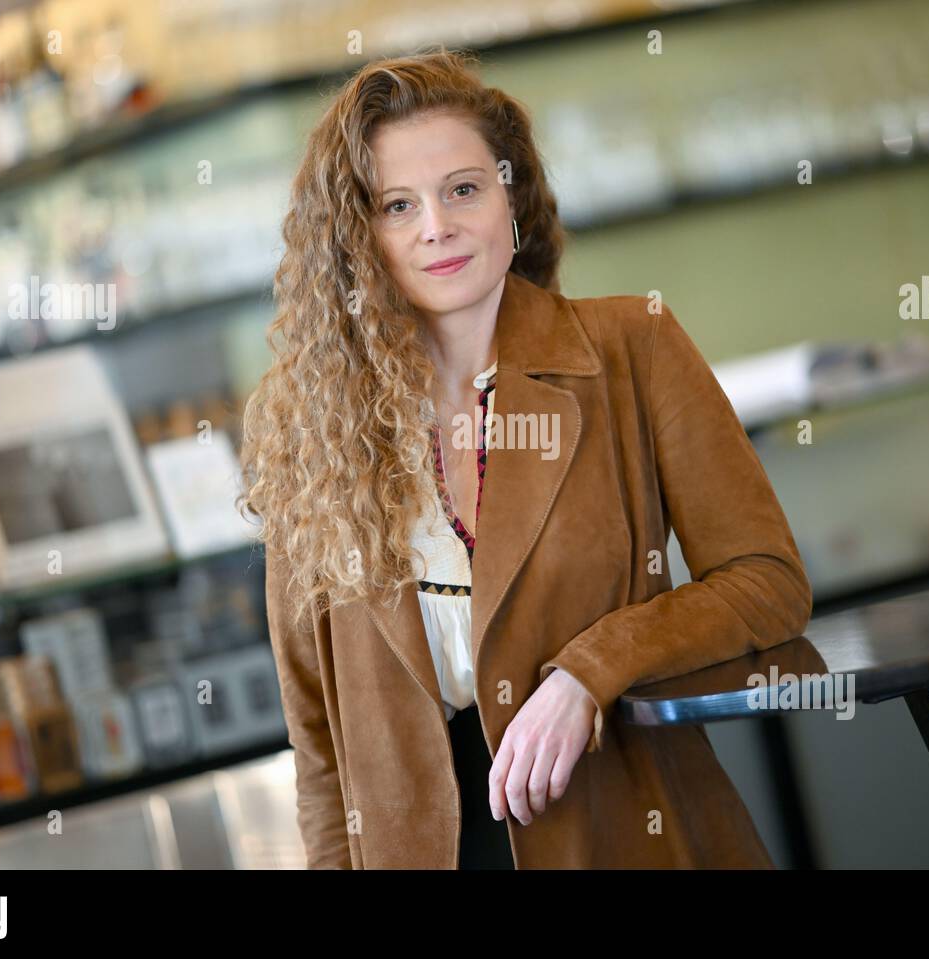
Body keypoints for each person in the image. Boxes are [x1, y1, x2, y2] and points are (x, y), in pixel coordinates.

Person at [238, 47, 813, 869]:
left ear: (512, 197)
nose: (436, 225)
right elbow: (321, 750)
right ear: (356, 238)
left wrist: (592, 671)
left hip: (627, 830)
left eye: (463, 189)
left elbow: (768, 582)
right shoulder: (310, 432)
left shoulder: (632, 346)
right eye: (396, 205)